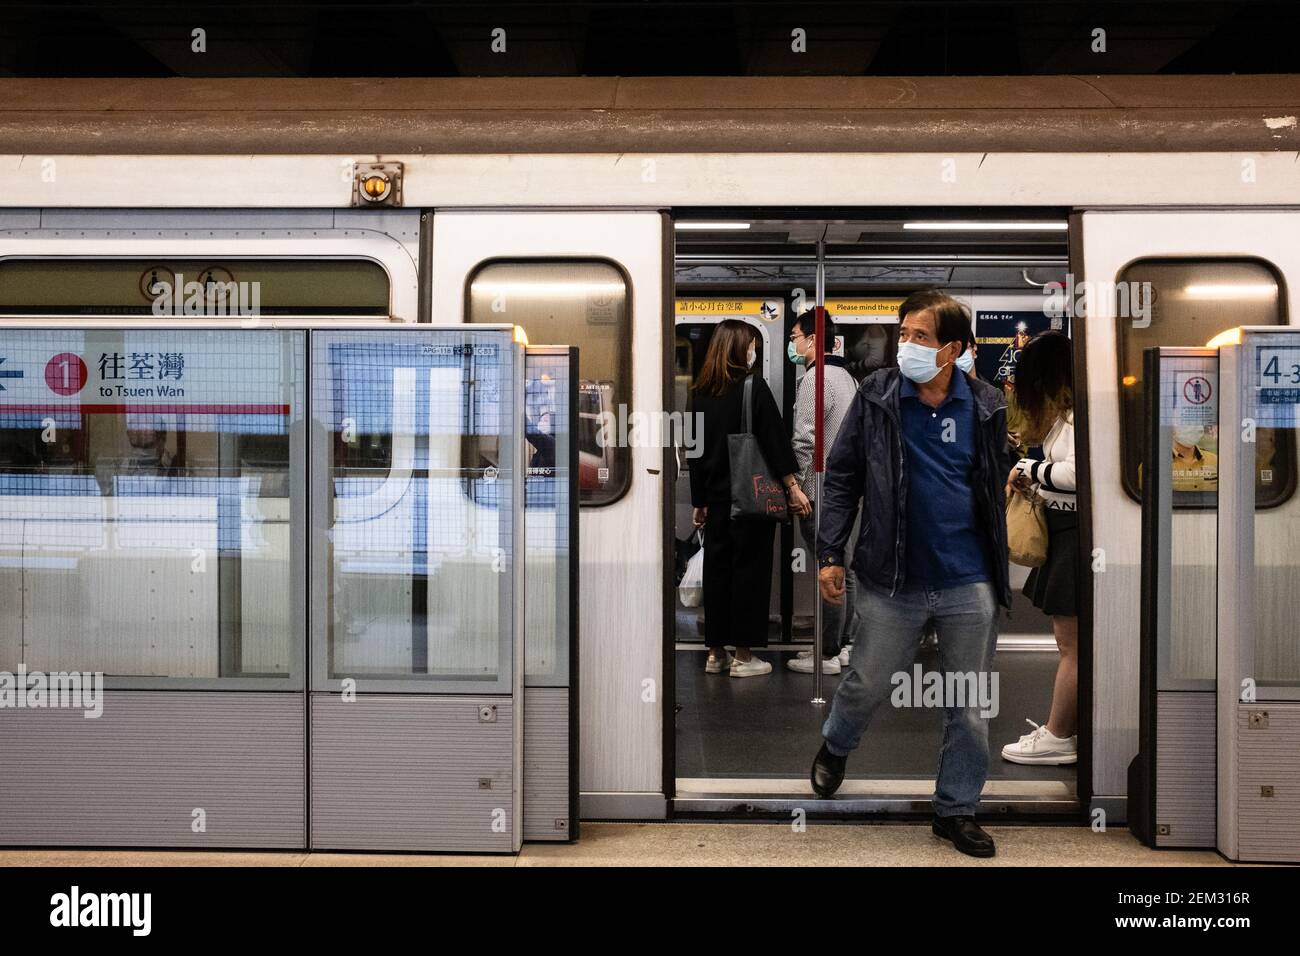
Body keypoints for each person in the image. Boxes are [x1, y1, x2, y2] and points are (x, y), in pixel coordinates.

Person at [809, 290, 1012, 858]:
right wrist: (830, 553)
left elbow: (990, 483)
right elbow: (843, 475)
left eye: (919, 337)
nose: (907, 345)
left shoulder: (987, 404)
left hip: (968, 578)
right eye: (904, 334)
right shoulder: (877, 396)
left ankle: (954, 810)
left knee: (968, 703)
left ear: (952, 349)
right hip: (889, 576)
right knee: (867, 682)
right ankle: (837, 743)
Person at [688, 320, 811, 678]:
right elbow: (774, 442)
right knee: (749, 574)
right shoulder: (753, 388)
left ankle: (715, 654)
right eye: (752, 344)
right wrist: (792, 486)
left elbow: (694, 454)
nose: (754, 351)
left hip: (715, 500)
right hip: (751, 499)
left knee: (717, 573)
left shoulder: (699, 394)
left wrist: (700, 501)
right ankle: (743, 656)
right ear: (740, 348)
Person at [1000, 331, 1079, 766]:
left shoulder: (1076, 414)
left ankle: (1058, 735)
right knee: (1072, 643)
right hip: (1067, 529)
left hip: (1076, 533)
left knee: (1071, 646)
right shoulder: (1067, 411)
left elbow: (1080, 472)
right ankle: (1069, 728)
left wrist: (1029, 467)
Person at [786, 311, 860, 675]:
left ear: (814, 340)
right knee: (845, 568)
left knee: (828, 567)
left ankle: (827, 653)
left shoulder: (816, 379)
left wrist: (797, 486)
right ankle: (845, 644)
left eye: (796, 337)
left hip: (821, 492)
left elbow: (804, 440)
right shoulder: (848, 378)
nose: (793, 344)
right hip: (846, 490)